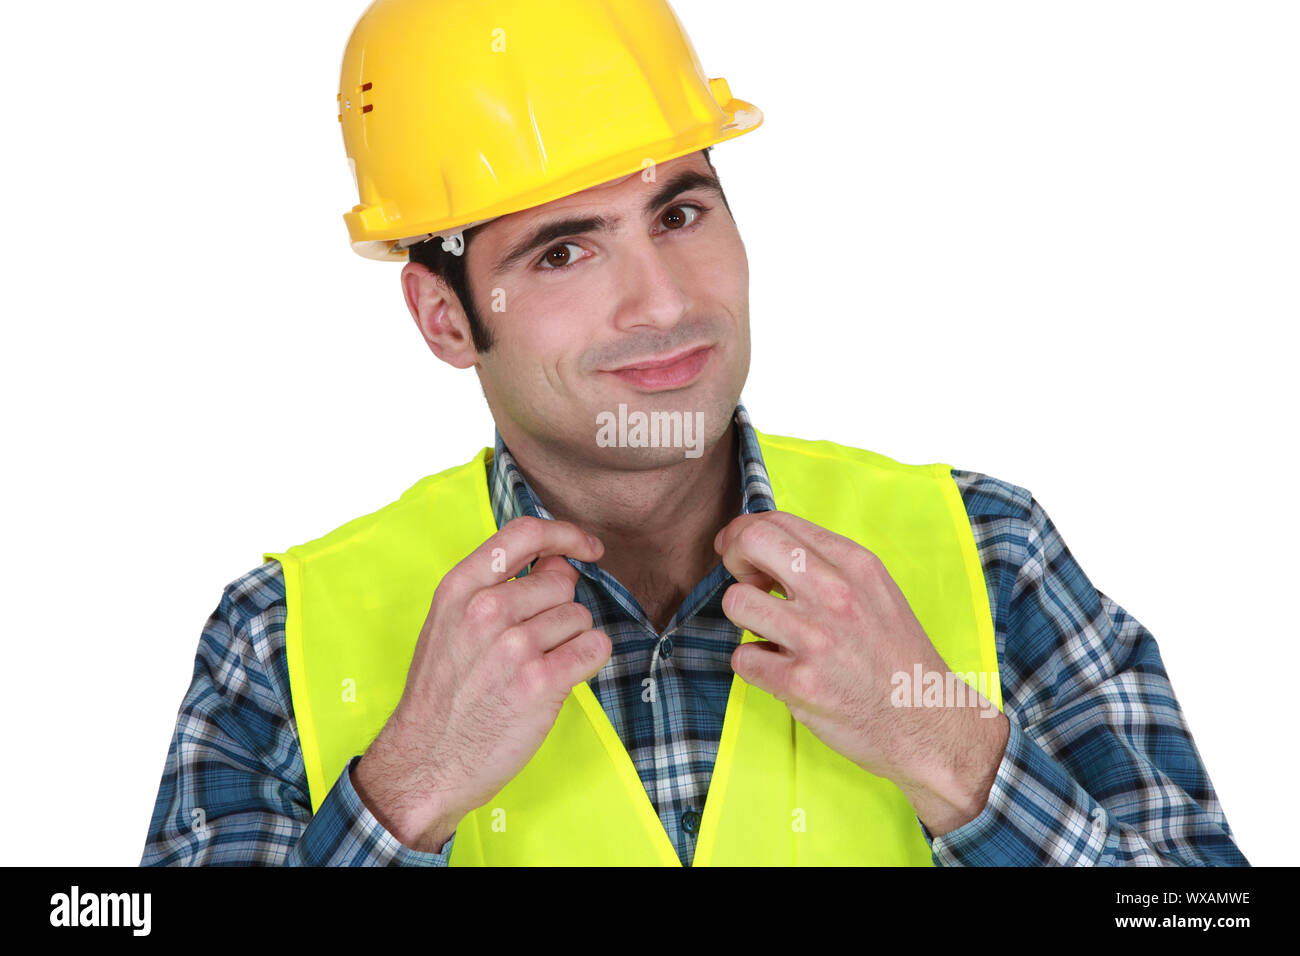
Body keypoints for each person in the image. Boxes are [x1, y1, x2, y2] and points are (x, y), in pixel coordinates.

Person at [141, 0, 1248, 866]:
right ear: (445, 316)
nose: (664, 302)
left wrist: (945, 746)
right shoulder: (280, 637)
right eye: (563, 250)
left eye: (678, 211)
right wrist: (406, 790)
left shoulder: (988, 551)